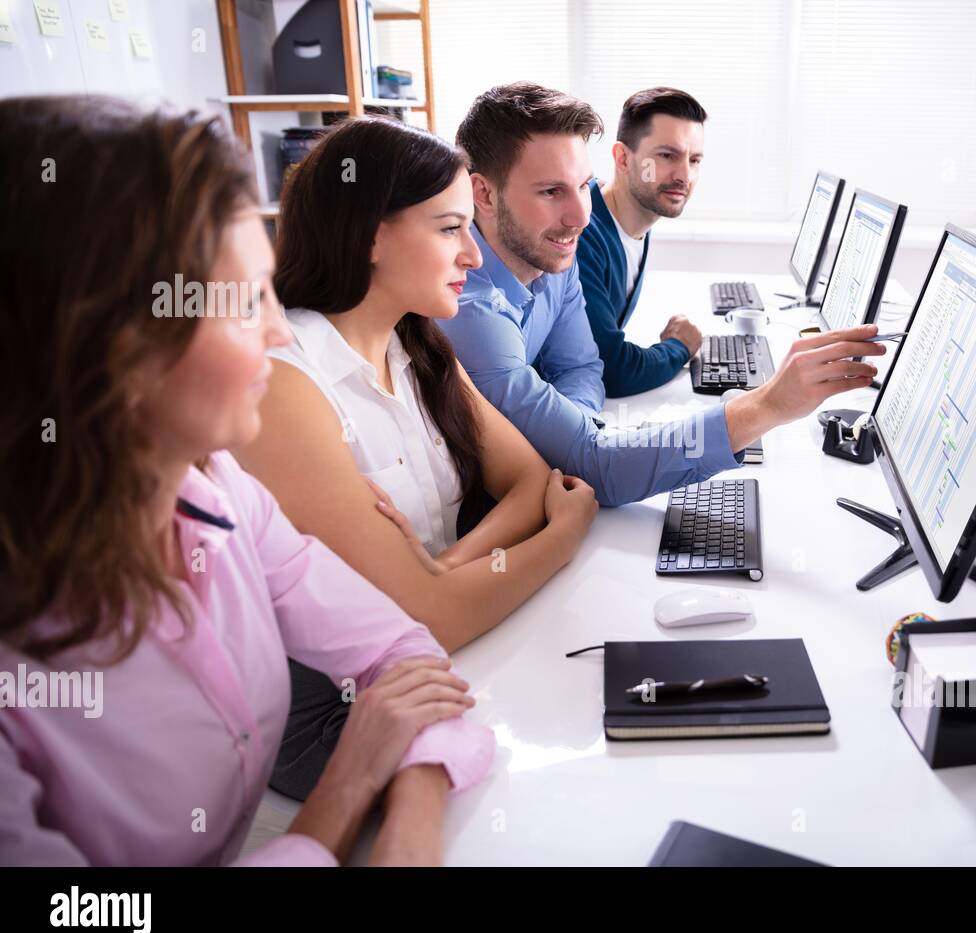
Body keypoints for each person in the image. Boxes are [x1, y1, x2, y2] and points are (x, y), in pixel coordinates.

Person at [0, 96, 492, 866]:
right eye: (243, 303)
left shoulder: (217, 490)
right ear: (108, 347)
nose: (274, 329)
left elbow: (406, 657)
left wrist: (407, 831)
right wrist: (346, 789)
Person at [233, 116, 597, 800]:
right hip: (330, 714)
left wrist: (448, 569)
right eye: (449, 228)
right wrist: (566, 533)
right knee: (544, 785)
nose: (475, 255)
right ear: (372, 235)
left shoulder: (415, 344)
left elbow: (527, 480)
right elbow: (432, 615)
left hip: (428, 653)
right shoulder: (287, 384)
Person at [441, 82, 887, 507]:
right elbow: (601, 467)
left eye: (582, 186)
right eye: (551, 191)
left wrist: (574, 431)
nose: (580, 216)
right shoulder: (468, 309)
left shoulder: (551, 255)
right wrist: (766, 406)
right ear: (483, 193)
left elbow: (581, 366)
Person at [574, 87, 706, 396]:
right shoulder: (581, 235)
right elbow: (611, 368)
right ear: (622, 158)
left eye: (695, 160)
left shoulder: (640, 216)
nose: (684, 175)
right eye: (666, 155)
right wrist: (678, 347)